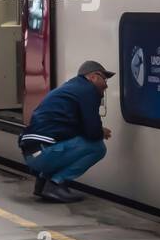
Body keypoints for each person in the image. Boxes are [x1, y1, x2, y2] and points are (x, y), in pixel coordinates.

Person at [18, 60, 115, 203]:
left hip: (33, 153)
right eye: (104, 79)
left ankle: (42, 183)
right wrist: (100, 132)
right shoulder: (88, 90)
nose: (106, 85)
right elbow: (92, 133)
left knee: (72, 141)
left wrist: (96, 130)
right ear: (93, 77)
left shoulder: (71, 88)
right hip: (42, 154)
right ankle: (55, 184)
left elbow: (68, 126)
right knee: (97, 148)